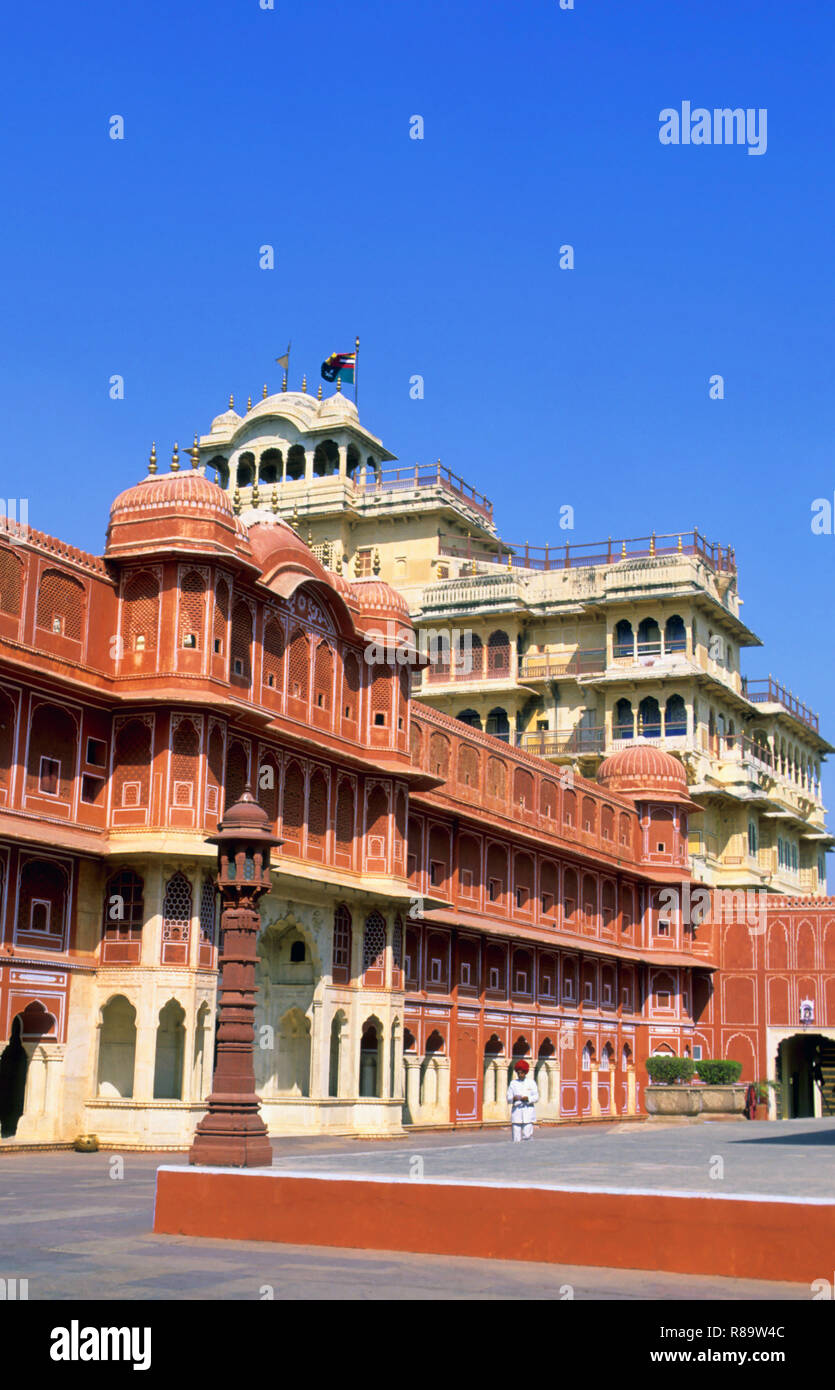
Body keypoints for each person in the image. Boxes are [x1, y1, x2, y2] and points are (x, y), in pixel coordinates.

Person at [507, 1058, 538, 1142]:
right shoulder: (513, 1083)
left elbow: (536, 1097)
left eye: (522, 1073)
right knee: (516, 1138)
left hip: (528, 1112)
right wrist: (514, 1098)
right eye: (518, 1073)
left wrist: (528, 1099)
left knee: (527, 1136)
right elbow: (508, 1098)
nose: (520, 1074)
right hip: (516, 1112)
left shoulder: (531, 1083)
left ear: (525, 1072)